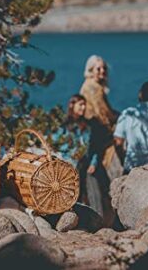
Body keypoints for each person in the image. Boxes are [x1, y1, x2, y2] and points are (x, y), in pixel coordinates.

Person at [51, 94, 112, 225]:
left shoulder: (89, 126)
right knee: (71, 191)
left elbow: (95, 147)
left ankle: (96, 221)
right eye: (80, 104)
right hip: (70, 165)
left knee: (92, 190)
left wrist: (94, 163)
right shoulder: (64, 126)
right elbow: (56, 145)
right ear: (72, 105)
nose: (83, 108)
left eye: (84, 105)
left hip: (86, 164)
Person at [80, 55, 122, 187]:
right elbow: (102, 114)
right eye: (98, 69)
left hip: (94, 132)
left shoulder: (92, 86)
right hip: (98, 135)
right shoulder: (93, 88)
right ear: (91, 70)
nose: (102, 71)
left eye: (104, 68)